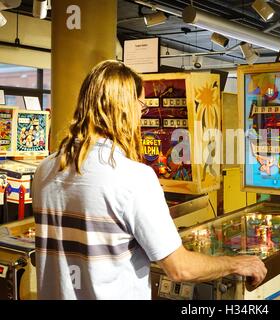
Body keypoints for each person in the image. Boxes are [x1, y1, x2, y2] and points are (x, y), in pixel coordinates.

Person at [32, 60, 267, 300]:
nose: (141, 118)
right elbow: (180, 268)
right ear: (125, 108)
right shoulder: (133, 177)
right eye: (141, 107)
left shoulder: (44, 170)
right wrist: (235, 263)